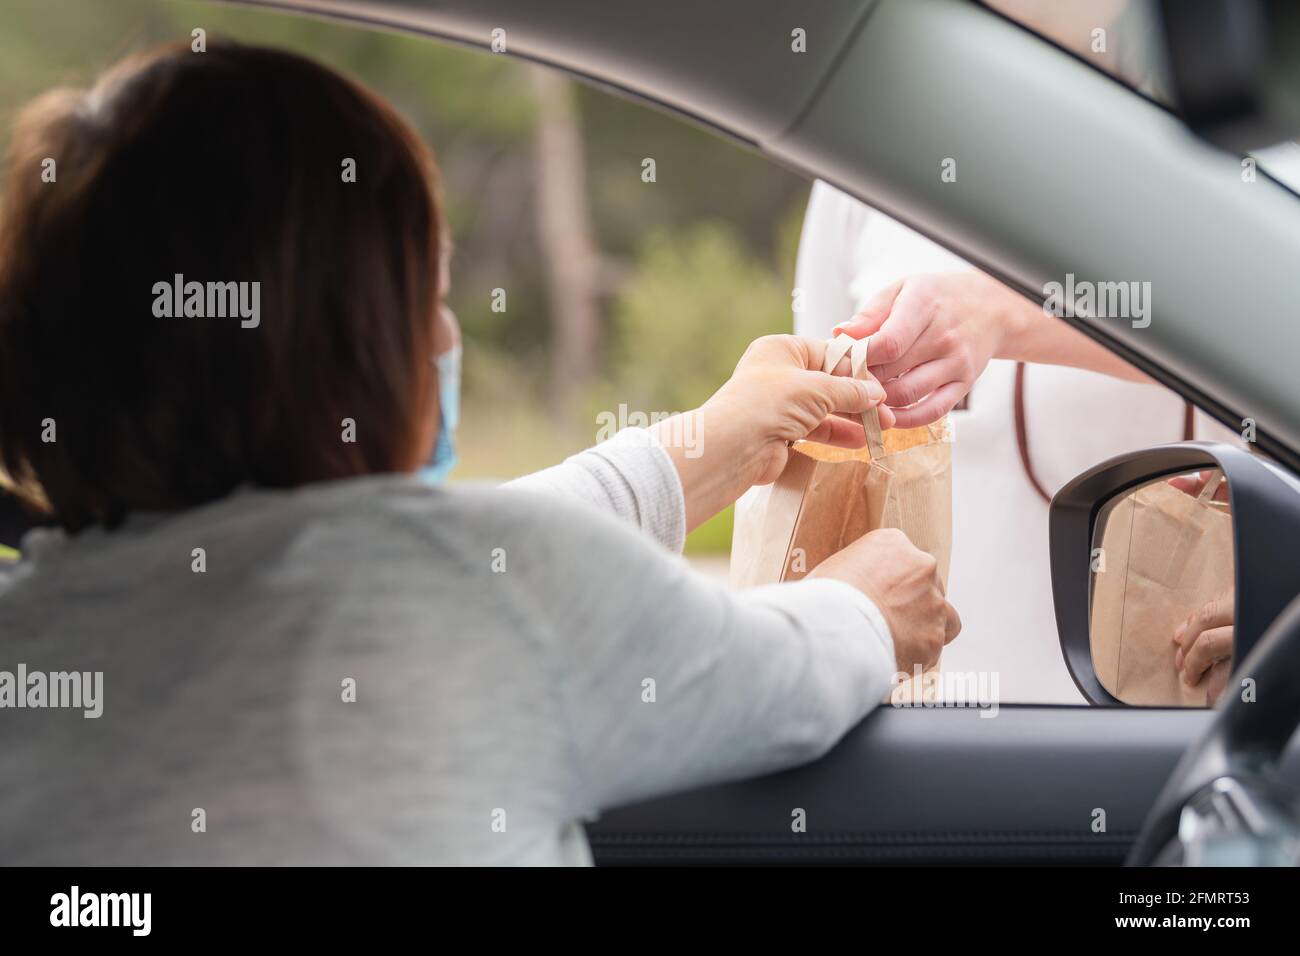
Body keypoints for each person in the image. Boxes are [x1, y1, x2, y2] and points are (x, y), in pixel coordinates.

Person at [0, 43, 958, 865]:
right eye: (434, 295)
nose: (446, 336)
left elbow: (483, 559)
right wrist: (866, 608)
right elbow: (778, 679)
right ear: (362, 346)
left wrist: (712, 441)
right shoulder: (488, 595)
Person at [794, 184, 1239, 703]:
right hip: (910, 732)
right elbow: (823, 447)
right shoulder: (864, 154)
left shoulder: (1249, 139)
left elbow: (1260, 319)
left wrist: (998, 313)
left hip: (1167, 729)